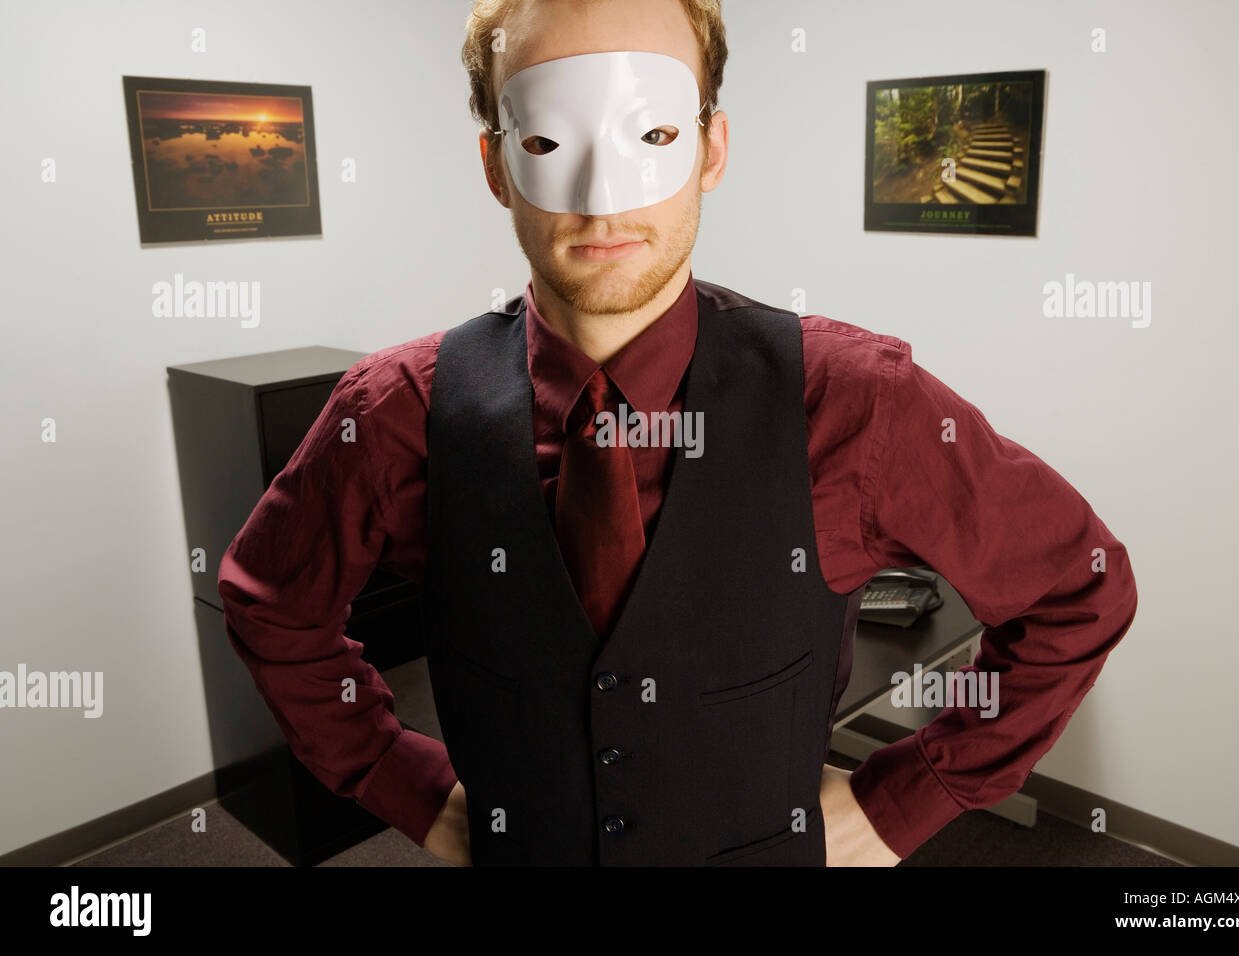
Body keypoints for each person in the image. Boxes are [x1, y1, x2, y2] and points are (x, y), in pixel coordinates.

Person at [218, 0, 1139, 867]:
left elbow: (1078, 590)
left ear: (710, 146)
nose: (601, 196)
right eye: (546, 138)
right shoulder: (393, 410)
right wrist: (408, 787)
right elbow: (270, 605)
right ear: (496, 165)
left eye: (651, 134)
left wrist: (903, 802)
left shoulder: (856, 402)